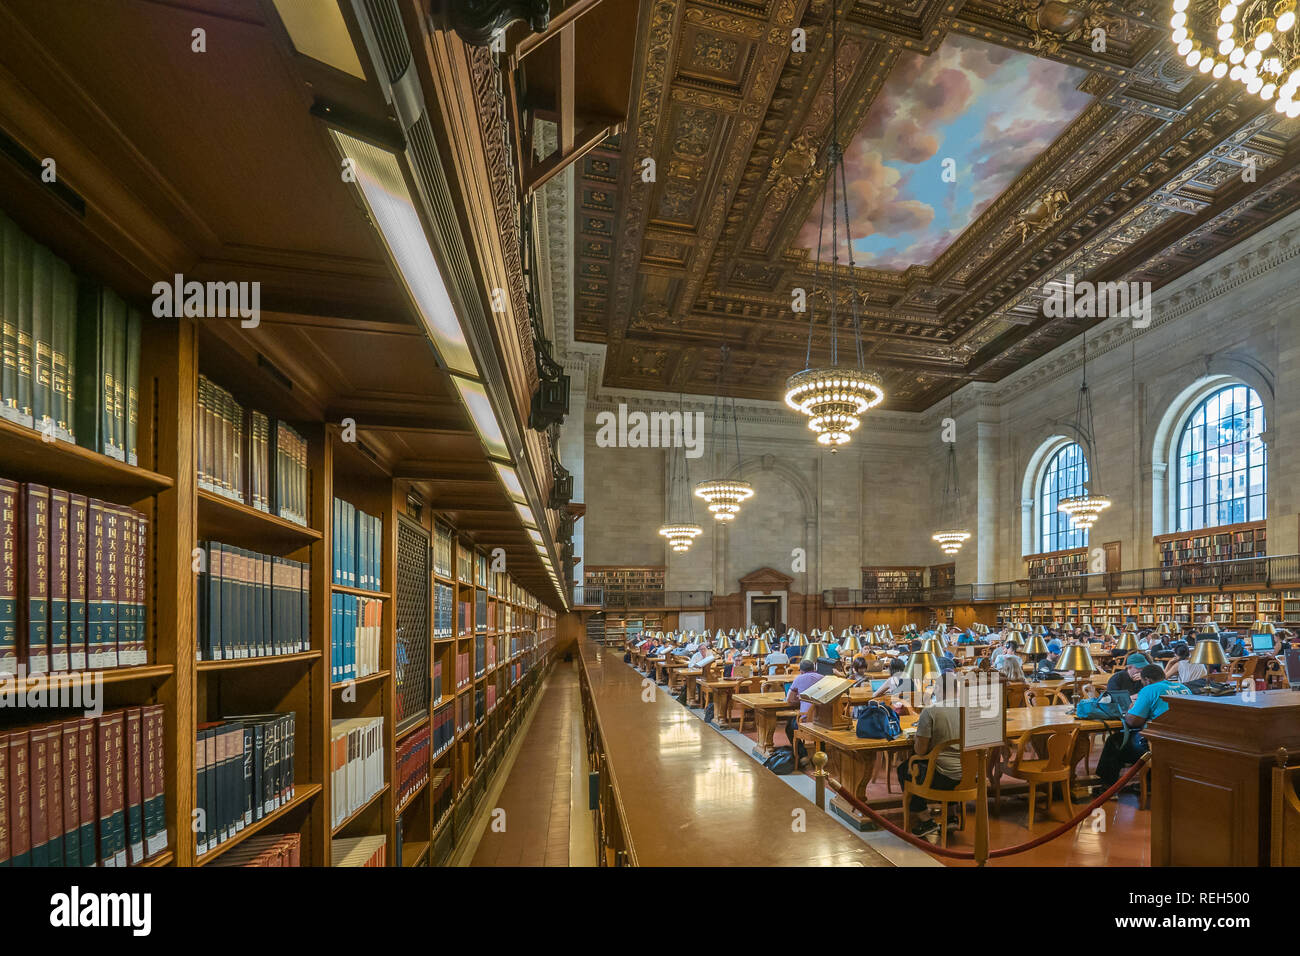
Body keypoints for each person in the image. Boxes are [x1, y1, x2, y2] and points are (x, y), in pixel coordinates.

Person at [1094, 664, 1192, 795]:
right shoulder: (1184, 688)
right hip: (1183, 743)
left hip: (1156, 745)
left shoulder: (1149, 689)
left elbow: (1134, 721)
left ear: (1147, 680)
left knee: (1115, 741)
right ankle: (1150, 782)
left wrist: (1130, 710)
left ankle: (1107, 787)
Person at [897, 672, 964, 837]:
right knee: (952, 763)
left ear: (939, 689)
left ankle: (925, 819)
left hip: (942, 778)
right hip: (971, 775)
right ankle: (951, 817)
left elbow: (920, 750)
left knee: (906, 768)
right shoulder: (972, 707)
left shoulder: (931, 711)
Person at [784, 659, 822, 763]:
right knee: (819, 729)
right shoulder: (822, 678)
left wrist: (799, 697)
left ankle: (803, 755)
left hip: (805, 720)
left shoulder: (799, 678)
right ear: (814, 669)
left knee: (789, 727)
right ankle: (821, 753)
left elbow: (789, 699)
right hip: (822, 720)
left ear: (801, 671)